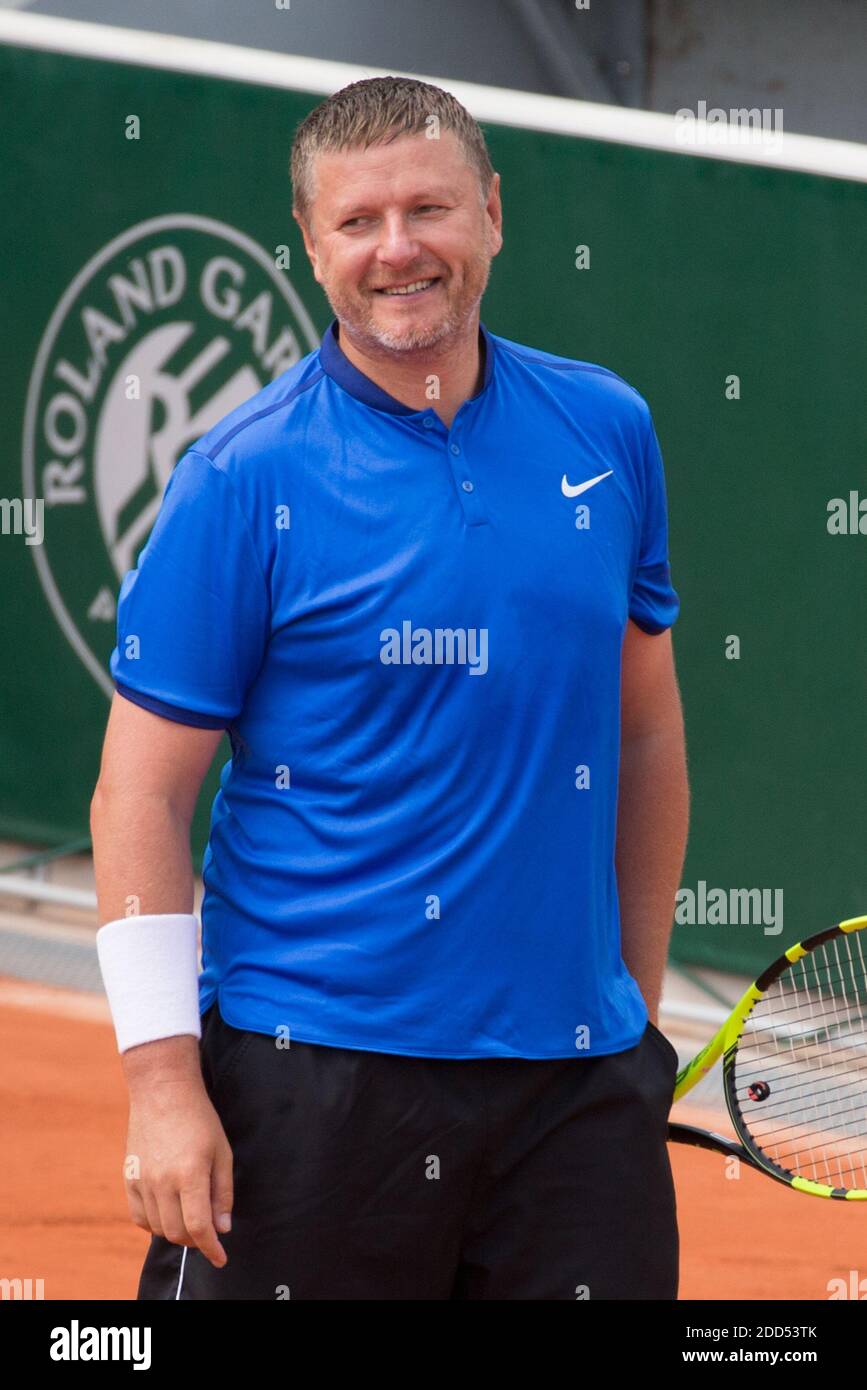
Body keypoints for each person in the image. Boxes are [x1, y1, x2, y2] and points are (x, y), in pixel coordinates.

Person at [92, 74, 689, 1301]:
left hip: (573, 1090)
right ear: (311, 245)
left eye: (431, 209)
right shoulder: (236, 478)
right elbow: (136, 800)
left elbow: (645, 731)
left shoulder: (609, 430)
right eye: (358, 221)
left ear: (494, 214)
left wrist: (631, 1008)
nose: (398, 248)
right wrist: (161, 1083)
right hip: (313, 1080)